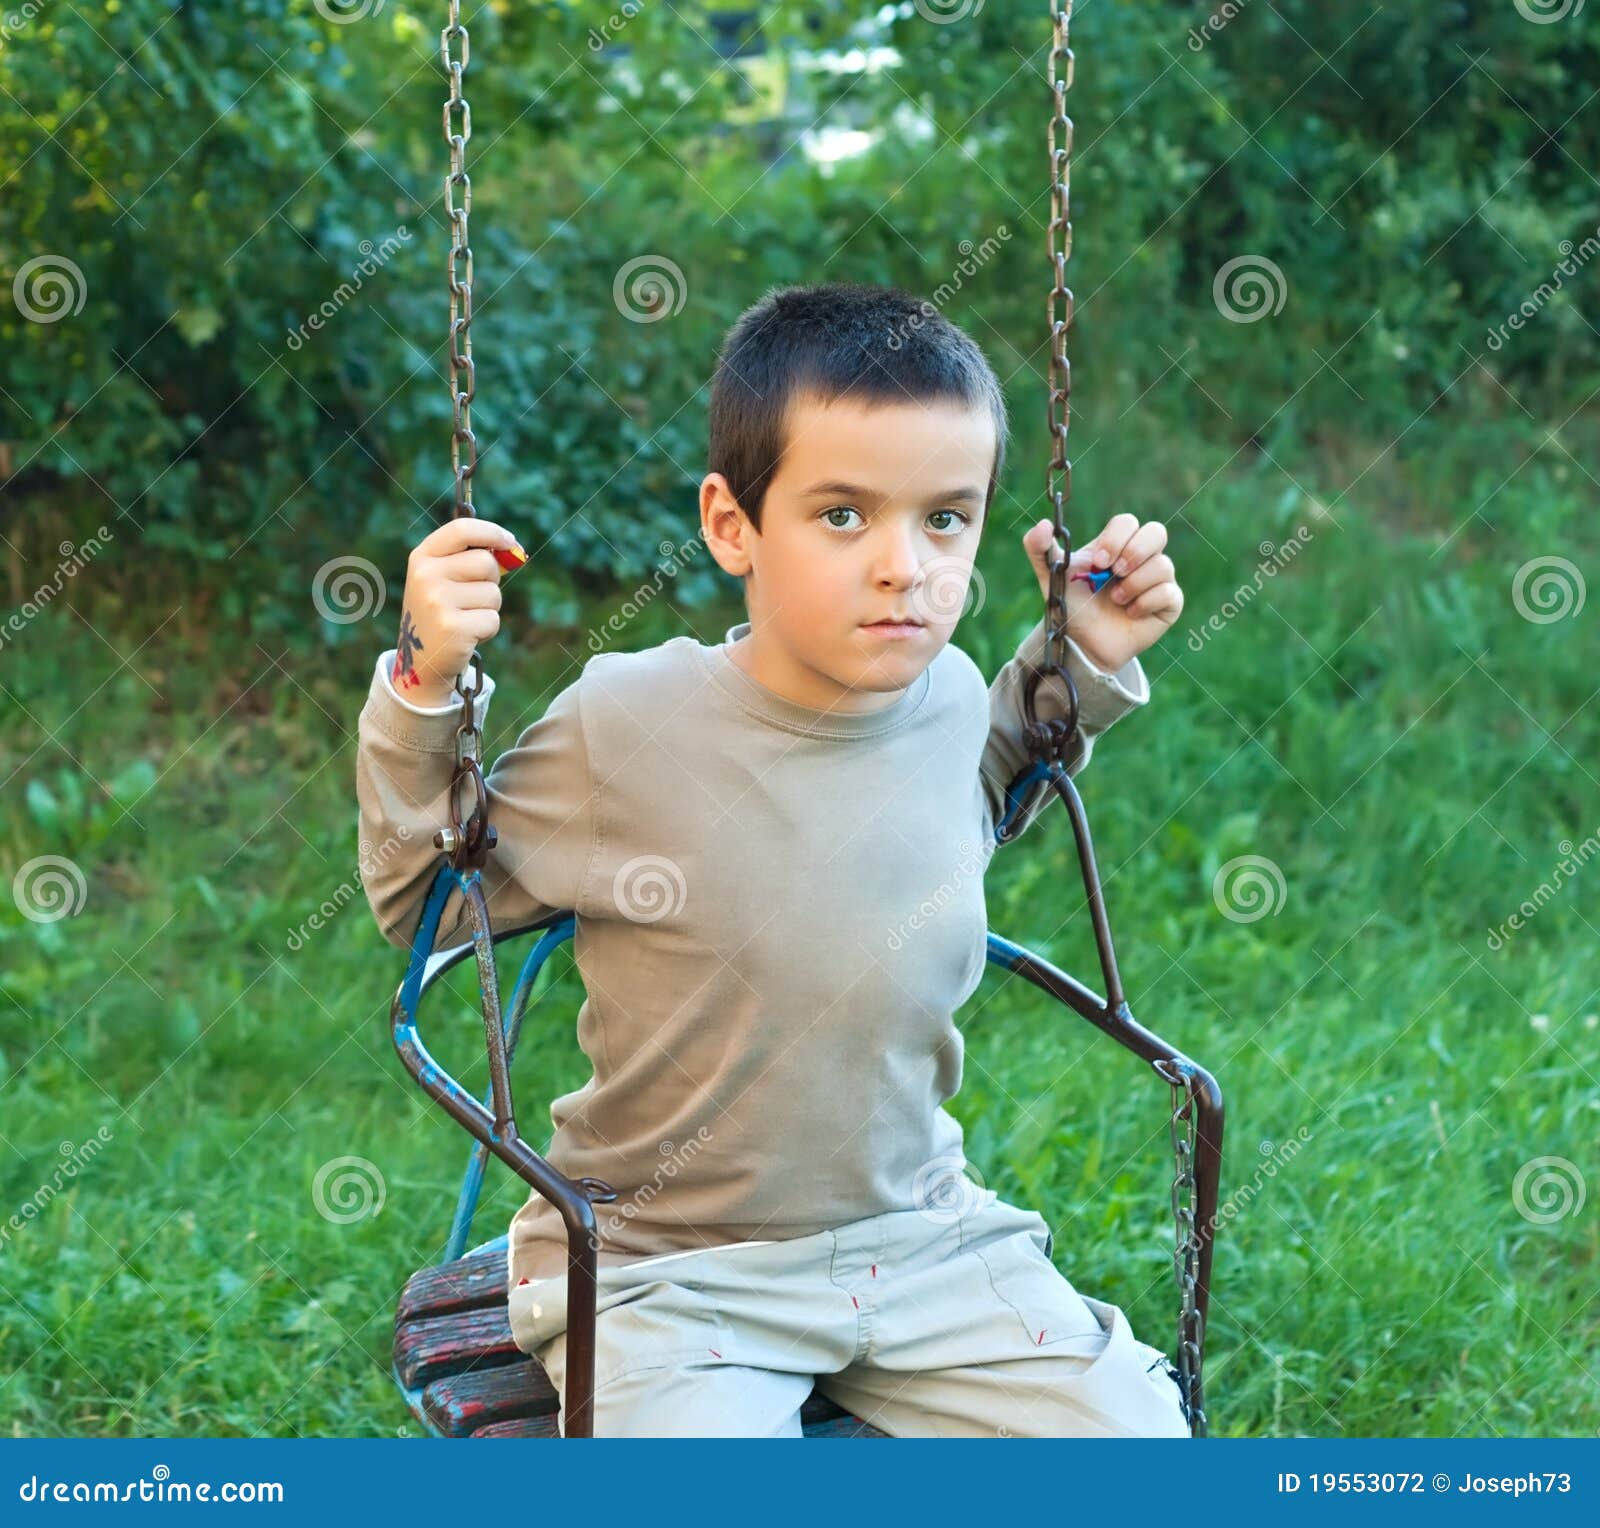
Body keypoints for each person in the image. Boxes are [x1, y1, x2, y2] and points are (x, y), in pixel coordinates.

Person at [355, 281, 1188, 1437]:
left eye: (945, 518)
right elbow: (427, 905)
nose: (904, 565)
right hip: (664, 1262)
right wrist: (425, 680)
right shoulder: (627, 722)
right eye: (842, 515)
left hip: (917, 1236)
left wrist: (1077, 662)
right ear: (731, 523)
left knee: (1138, 1441)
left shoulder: (949, 697)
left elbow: (976, 796)